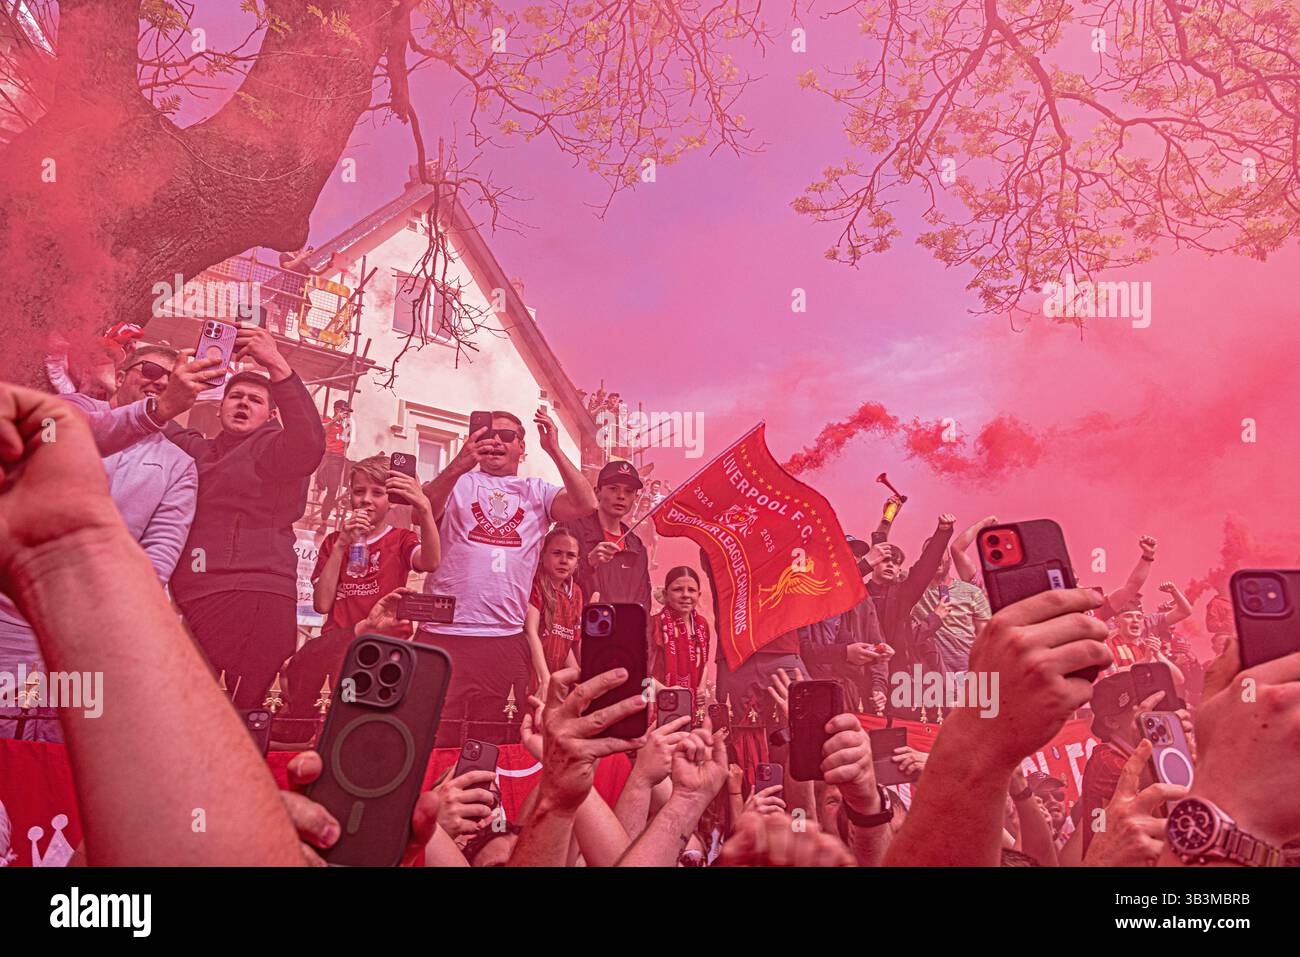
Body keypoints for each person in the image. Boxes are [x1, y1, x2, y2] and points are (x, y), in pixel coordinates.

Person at [0, 382, 304, 864]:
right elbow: (78, 413)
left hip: (232, 604)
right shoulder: (168, 441)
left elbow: (163, 546)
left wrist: (281, 373)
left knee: (196, 731)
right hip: (16, 617)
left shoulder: (202, 459)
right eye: (233, 395)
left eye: (255, 398)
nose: (158, 383)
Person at [0, 345, 218, 741]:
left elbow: (159, 555)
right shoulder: (69, 412)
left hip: (88, 631)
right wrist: (158, 410)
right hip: (14, 616)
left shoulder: (179, 465)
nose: (159, 382)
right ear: (121, 376)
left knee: (59, 749)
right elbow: (84, 434)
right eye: (150, 370)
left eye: (170, 378)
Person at [166, 327, 326, 709]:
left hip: (257, 593)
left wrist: (275, 364)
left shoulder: (276, 448)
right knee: (188, 708)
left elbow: (309, 445)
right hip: (197, 594)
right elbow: (157, 423)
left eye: (255, 400)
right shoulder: (201, 451)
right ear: (219, 407)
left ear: (271, 414)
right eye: (235, 396)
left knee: (243, 714)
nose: (242, 404)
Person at [417, 408, 597, 746]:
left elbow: (586, 503)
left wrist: (554, 449)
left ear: (522, 446)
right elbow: (420, 510)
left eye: (507, 436)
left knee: (496, 741)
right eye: (488, 435)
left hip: (503, 636)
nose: (496, 441)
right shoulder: (457, 481)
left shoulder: (535, 490)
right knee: (428, 738)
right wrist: (459, 464)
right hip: (442, 632)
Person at [572, 459, 652, 620]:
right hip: (579, 636)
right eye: (613, 489)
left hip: (622, 638)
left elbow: (643, 606)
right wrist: (587, 562)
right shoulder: (572, 529)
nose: (621, 496)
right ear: (597, 491)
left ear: (635, 498)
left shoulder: (637, 548)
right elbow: (547, 579)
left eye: (629, 491)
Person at [524, 526, 585, 694]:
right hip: (531, 677)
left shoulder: (577, 593)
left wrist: (579, 679)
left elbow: (565, 642)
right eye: (557, 553)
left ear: (577, 562)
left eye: (571, 555)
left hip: (554, 684)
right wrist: (544, 679)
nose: (564, 560)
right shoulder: (534, 584)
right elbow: (530, 632)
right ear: (542, 556)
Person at [911, 550, 991, 676]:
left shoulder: (972, 592)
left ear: (950, 560)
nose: (936, 554)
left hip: (967, 672)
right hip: (931, 676)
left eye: (941, 549)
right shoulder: (912, 591)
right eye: (931, 551)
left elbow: (986, 636)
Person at [650, 566, 715, 695]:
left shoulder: (702, 625)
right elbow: (639, 671)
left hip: (691, 704)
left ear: (698, 595)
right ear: (665, 594)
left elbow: (703, 662)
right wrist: (663, 691)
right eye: (678, 590)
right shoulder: (653, 624)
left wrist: (701, 688)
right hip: (658, 702)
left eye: (691, 590)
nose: (685, 595)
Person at [315, 398, 352, 526]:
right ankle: (319, 492)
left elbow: (347, 442)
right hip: (327, 455)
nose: (346, 414)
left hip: (338, 458)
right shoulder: (327, 420)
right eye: (344, 411)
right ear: (337, 409)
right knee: (321, 480)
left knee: (333, 489)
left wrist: (346, 426)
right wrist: (335, 420)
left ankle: (325, 518)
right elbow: (320, 431)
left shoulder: (345, 425)